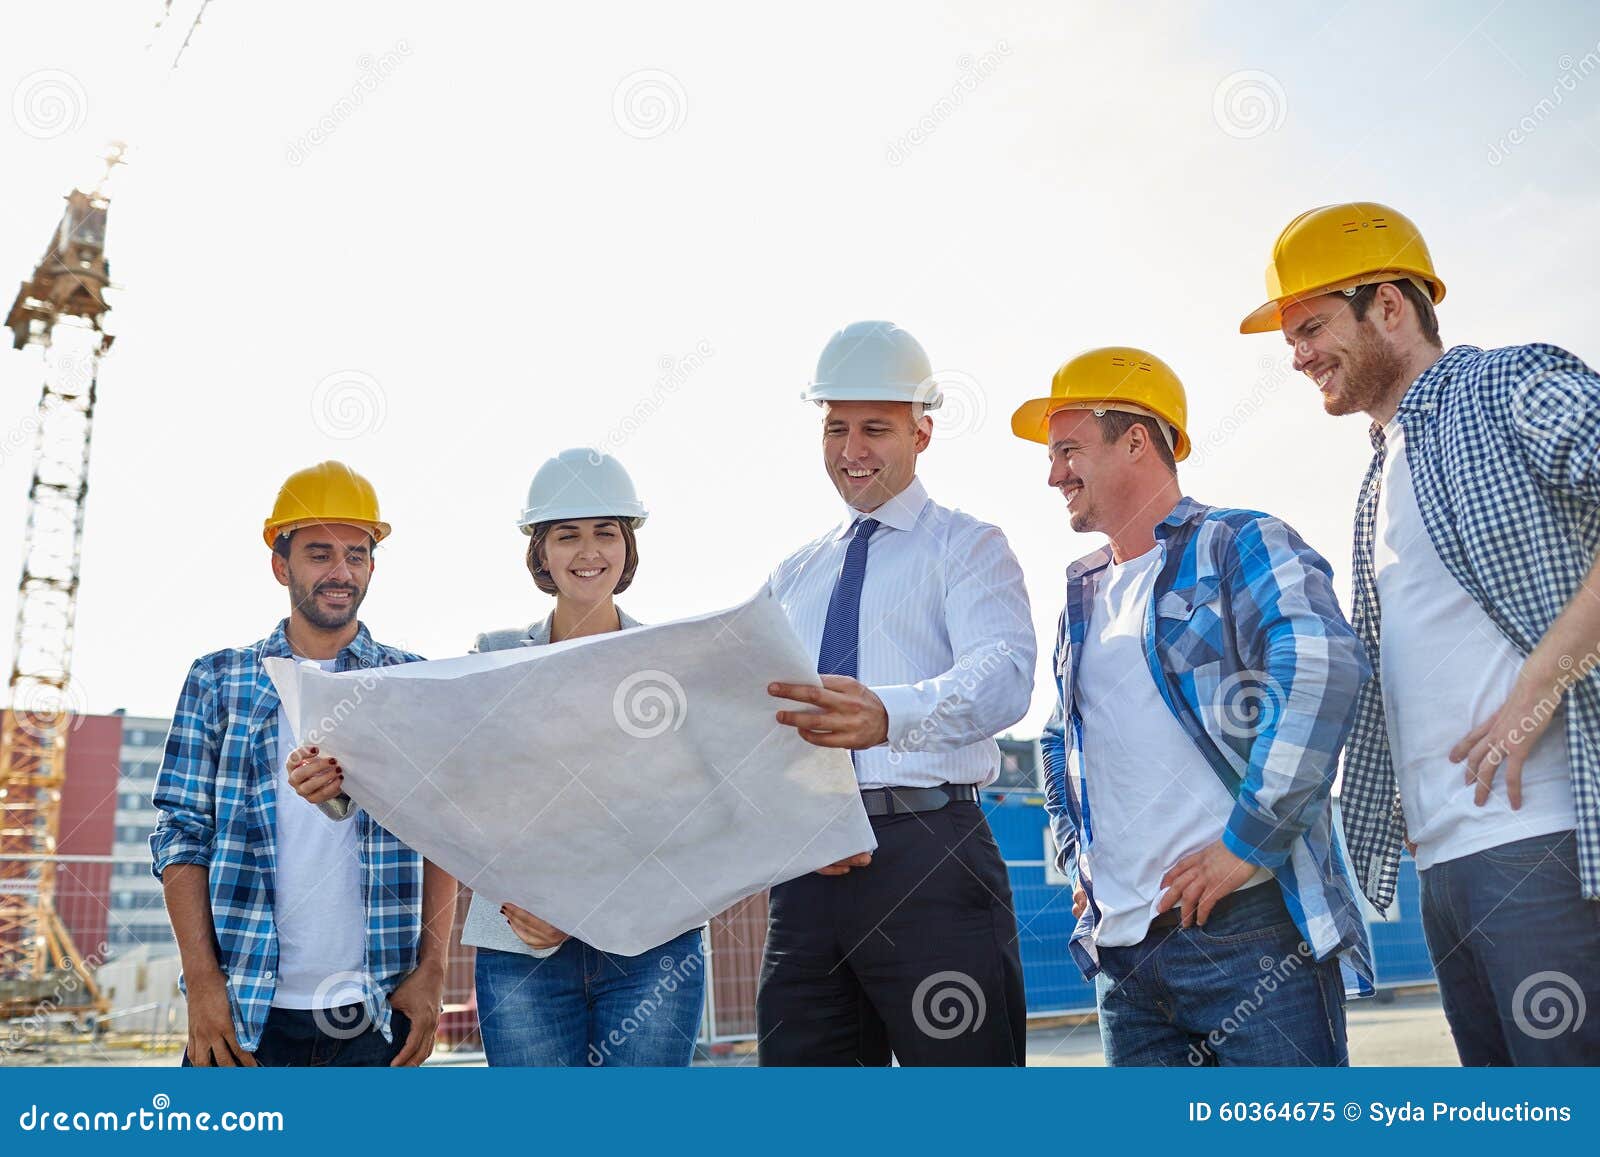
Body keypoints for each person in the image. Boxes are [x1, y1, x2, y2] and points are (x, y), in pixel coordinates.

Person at [1241, 201, 1600, 1065]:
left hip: (1545, 843)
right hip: (1447, 865)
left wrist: (1540, 681)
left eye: (1313, 326)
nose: (1297, 356)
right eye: (1290, 338)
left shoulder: (1509, 385)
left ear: (1391, 308)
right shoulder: (1378, 475)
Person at [1014, 347, 1373, 1066]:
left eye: (1070, 450)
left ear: (1137, 441)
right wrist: (1081, 858)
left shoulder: (1236, 543)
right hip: (1124, 963)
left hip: (1247, 936)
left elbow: (1322, 665)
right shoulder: (1083, 598)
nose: (1054, 473)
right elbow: (1058, 742)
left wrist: (1248, 840)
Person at [290, 448, 706, 1066]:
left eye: (605, 534)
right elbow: (440, 776)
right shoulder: (494, 655)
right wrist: (339, 789)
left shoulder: (672, 662)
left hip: (650, 948)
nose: (588, 552)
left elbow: (688, 817)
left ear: (628, 549)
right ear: (540, 553)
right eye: (567, 536)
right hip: (521, 948)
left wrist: (582, 909)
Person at [759, 320, 1036, 1066]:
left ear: (923, 431)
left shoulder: (968, 546)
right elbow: (754, 720)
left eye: (875, 428)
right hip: (809, 869)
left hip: (929, 859)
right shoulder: (792, 575)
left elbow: (1004, 672)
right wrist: (788, 819)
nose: (852, 450)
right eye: (836, 427)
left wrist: (890, 713)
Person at [150, 461, 455, 1067]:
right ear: (280, 565)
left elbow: (441, 832)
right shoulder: (219, 679)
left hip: (374, 1009)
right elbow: (181, 835)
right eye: (320, 554)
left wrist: (433, 969)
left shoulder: (410, 681)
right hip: (244, 1010)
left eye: (358, 554)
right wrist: (204, 984)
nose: (341, 572)